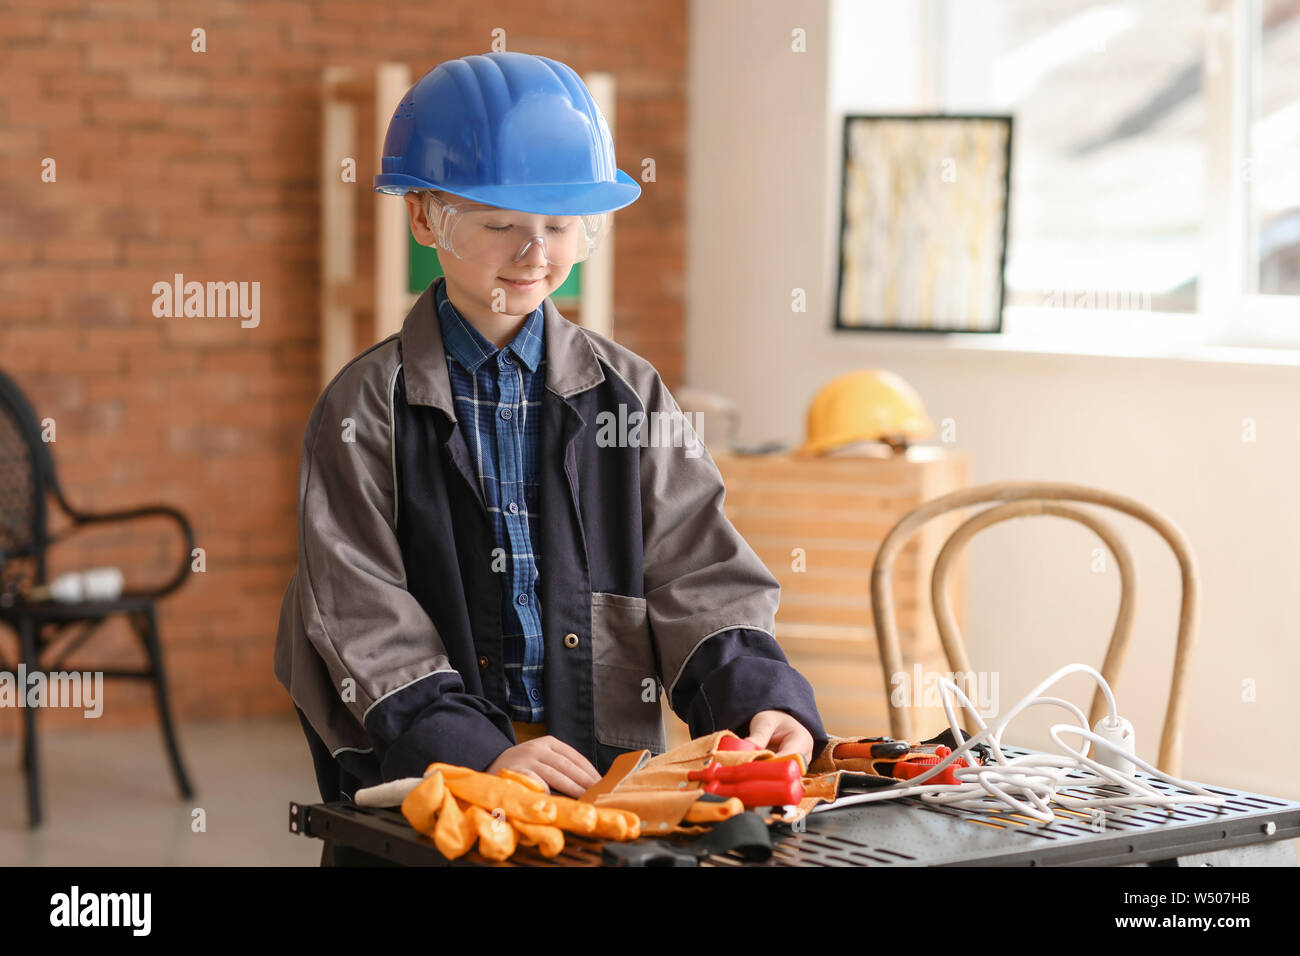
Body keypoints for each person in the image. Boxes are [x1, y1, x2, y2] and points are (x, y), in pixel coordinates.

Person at [274, 51, 827, 803]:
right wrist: (474, 751)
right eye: (501, 223)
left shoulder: (630, 395)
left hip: (601, 783)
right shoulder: (366, 405)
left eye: (560, 225)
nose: (535, 254)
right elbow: (356, 608)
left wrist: (758, 697)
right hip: (433, 784)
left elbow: (697, 567)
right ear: (422, 215)